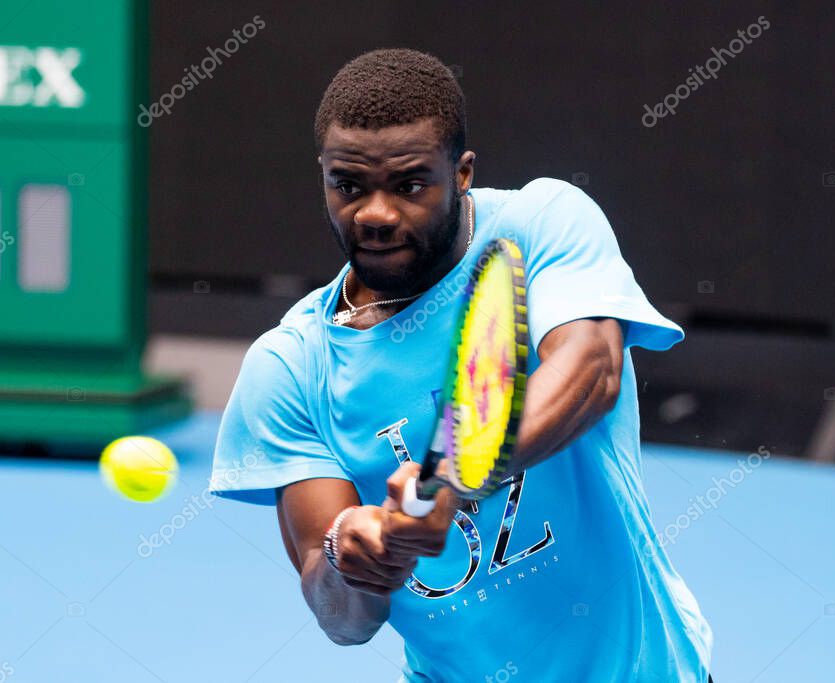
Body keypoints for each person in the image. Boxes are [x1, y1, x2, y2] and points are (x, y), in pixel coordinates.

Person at [210, 48, 713, 682]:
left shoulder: (542, 223)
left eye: (410, 184)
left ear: (463, 172)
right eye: (348, 185)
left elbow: (591, 369)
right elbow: (343, 620)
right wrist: (355, 554)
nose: (375, 214)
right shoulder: (286, 369)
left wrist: (455, 476)